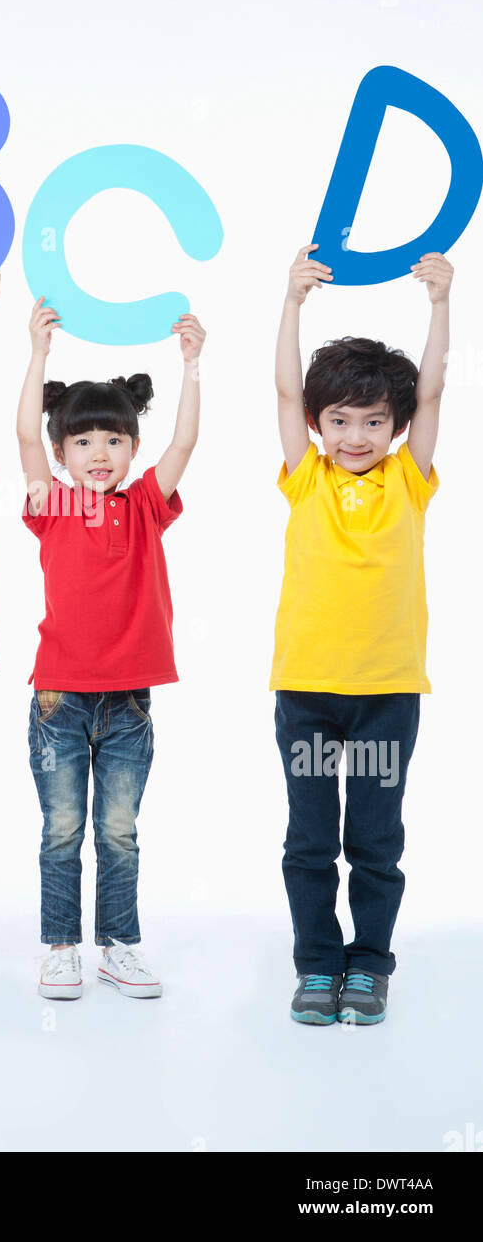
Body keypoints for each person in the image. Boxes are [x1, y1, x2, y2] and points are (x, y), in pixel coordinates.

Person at [272, 244, 451, 1025]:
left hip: (385, 695)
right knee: (312, 841)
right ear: (319, 425)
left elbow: (437, 390)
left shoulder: (407, 480)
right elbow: (282, 389)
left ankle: (369, 965)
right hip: (308, 690)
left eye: (373, 421)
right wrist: (290, 303)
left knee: (376, 842)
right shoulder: (306, 477)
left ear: (395, 426)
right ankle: (318, 965)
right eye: (338, 420)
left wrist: (441, 306)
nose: (354, 435)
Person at [18, 295, 205, 999]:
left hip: (128, 701)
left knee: (119, 834)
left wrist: (190, 368)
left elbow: (182, 445)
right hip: (59, 699)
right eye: (84, 443)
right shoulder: (55, 506)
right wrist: (38, 355)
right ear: (64, 453)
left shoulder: (145, 505)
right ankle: (61, 947)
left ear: (131, 448)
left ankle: (118, 945)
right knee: (62, 832)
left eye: (115, 441)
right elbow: (24, 443)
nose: (101, 454)